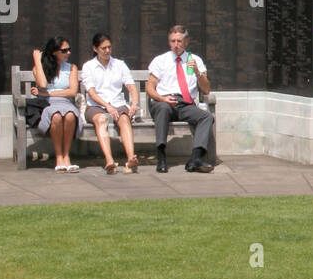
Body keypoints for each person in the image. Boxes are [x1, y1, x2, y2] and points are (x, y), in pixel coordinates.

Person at [146, 25, 214, 173]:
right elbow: (149, 88)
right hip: (163, 102)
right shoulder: (161, 60)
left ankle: (196, 158)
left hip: (185, 104)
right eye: (172, 41)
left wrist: (197, 72)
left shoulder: (194, 60)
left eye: (179, 41)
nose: (175, 45)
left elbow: (206, 89)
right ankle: (161, 156)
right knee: (163, 109)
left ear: (186, 41)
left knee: (206, 117)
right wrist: (162, 98)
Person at [80, 32, 140, 174]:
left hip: (118, 103)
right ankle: (109, 160)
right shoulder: (89, 66)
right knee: (102, 119)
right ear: (95, 49)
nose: (107, 51)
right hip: (96, 105)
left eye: (109, 47)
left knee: (124, 119)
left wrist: (134, 103)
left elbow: (131, 86)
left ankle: (131, 158)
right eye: (103, 48)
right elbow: (92, 92)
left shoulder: (119, 64)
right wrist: (107, 106)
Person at [31, 37, 83, 171]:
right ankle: (59, 157)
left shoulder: (72, 67)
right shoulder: (40, 68)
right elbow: (42, 84)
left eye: (69, 50)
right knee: (56, 116)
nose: (68, 53)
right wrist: (37, 60)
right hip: (48, 105)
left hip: (66, 102)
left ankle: (66, 156)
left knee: (71, 115)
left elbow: (72, 92)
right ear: (54, 52)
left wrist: (47, 93)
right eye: (64, 50)